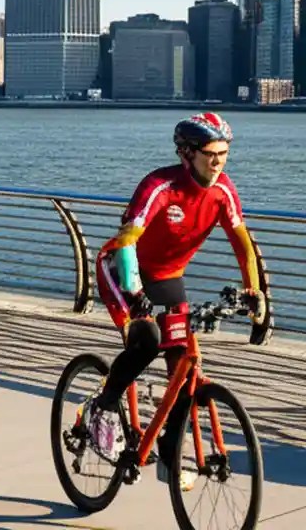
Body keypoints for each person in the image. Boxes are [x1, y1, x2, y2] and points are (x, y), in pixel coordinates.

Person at [83, 112, 264, 489]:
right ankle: (104, 407)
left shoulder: (223, 191)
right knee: (147, 339)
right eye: (211, 154)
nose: (218, 162)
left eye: (224, 153)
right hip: (122, 269)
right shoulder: (159, 186)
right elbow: (127, 241)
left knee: (183, 365)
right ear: (187, 153)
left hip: (168, 278)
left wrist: (255, 293)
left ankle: (168, 453)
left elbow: (243, 245)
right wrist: (135, 298)